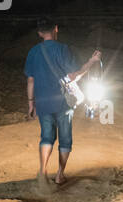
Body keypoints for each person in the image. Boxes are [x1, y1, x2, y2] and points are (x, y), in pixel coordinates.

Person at [24, 18, 102, 187]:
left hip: (42, 101)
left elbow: (30, 80)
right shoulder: (63, 49)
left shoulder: (33, 52)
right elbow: (74, 75)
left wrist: (31, 103)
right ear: (56, 29)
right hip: (63, 102)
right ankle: (59, 175)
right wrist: (91, 61)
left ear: (39, 33)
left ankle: (43, 171)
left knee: (46, 136)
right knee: (65, 140)